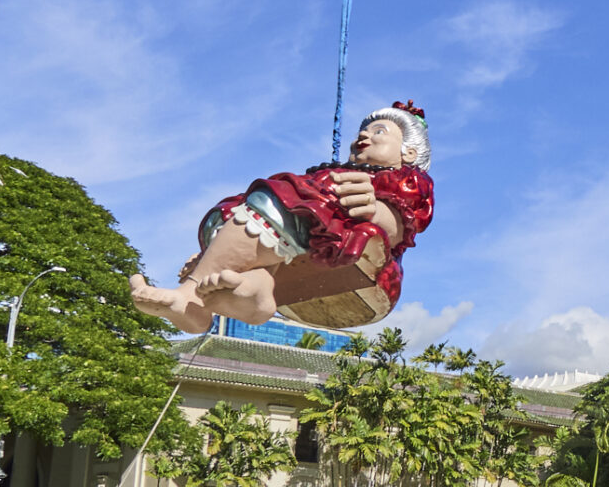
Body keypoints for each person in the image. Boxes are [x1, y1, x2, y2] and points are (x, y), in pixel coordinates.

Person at [130, 102, 435, 333]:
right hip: (308, 242)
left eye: (379, 132)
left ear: (408, 153)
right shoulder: (337, 174)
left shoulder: (405, 181)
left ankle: (188, 297)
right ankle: (254, 296)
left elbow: (403, 227)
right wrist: (214, 251)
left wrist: (375, 209)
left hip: (365, 259)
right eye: (361, 132)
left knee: (277, 197)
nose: (364, 136)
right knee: (234, 212)